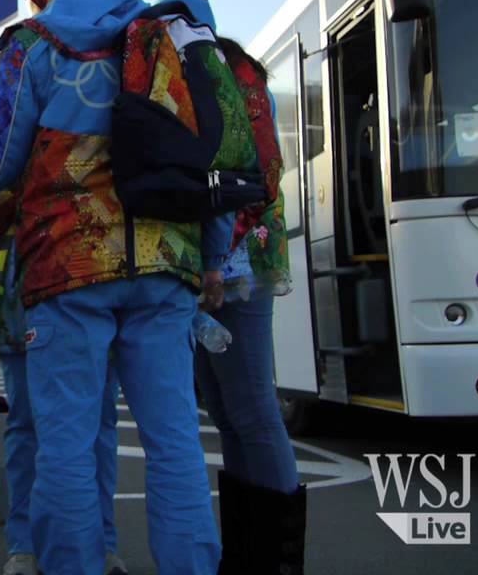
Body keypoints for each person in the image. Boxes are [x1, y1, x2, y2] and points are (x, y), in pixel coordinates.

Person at [0, 0, 222, 575]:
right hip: (168, 266)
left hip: (71, 269)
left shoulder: (33, 45)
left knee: (64, 443)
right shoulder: (159, 33)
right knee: (175, 444)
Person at [0, 191, 126, 575]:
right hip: (24, 297)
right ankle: (25, 545)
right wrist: (16, 189)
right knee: (27, 425)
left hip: (96, 281)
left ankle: (101, 542)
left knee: (99, 424)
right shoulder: (0, 140)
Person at [196, 30, 306, 574]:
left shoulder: (232, 76)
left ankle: (277, 560)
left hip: (242, 261)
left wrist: (217, 250)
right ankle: (247, 554)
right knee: (228, 413)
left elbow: (258, 176)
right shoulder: (212, 71)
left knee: (253, 411)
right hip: (216, 262)